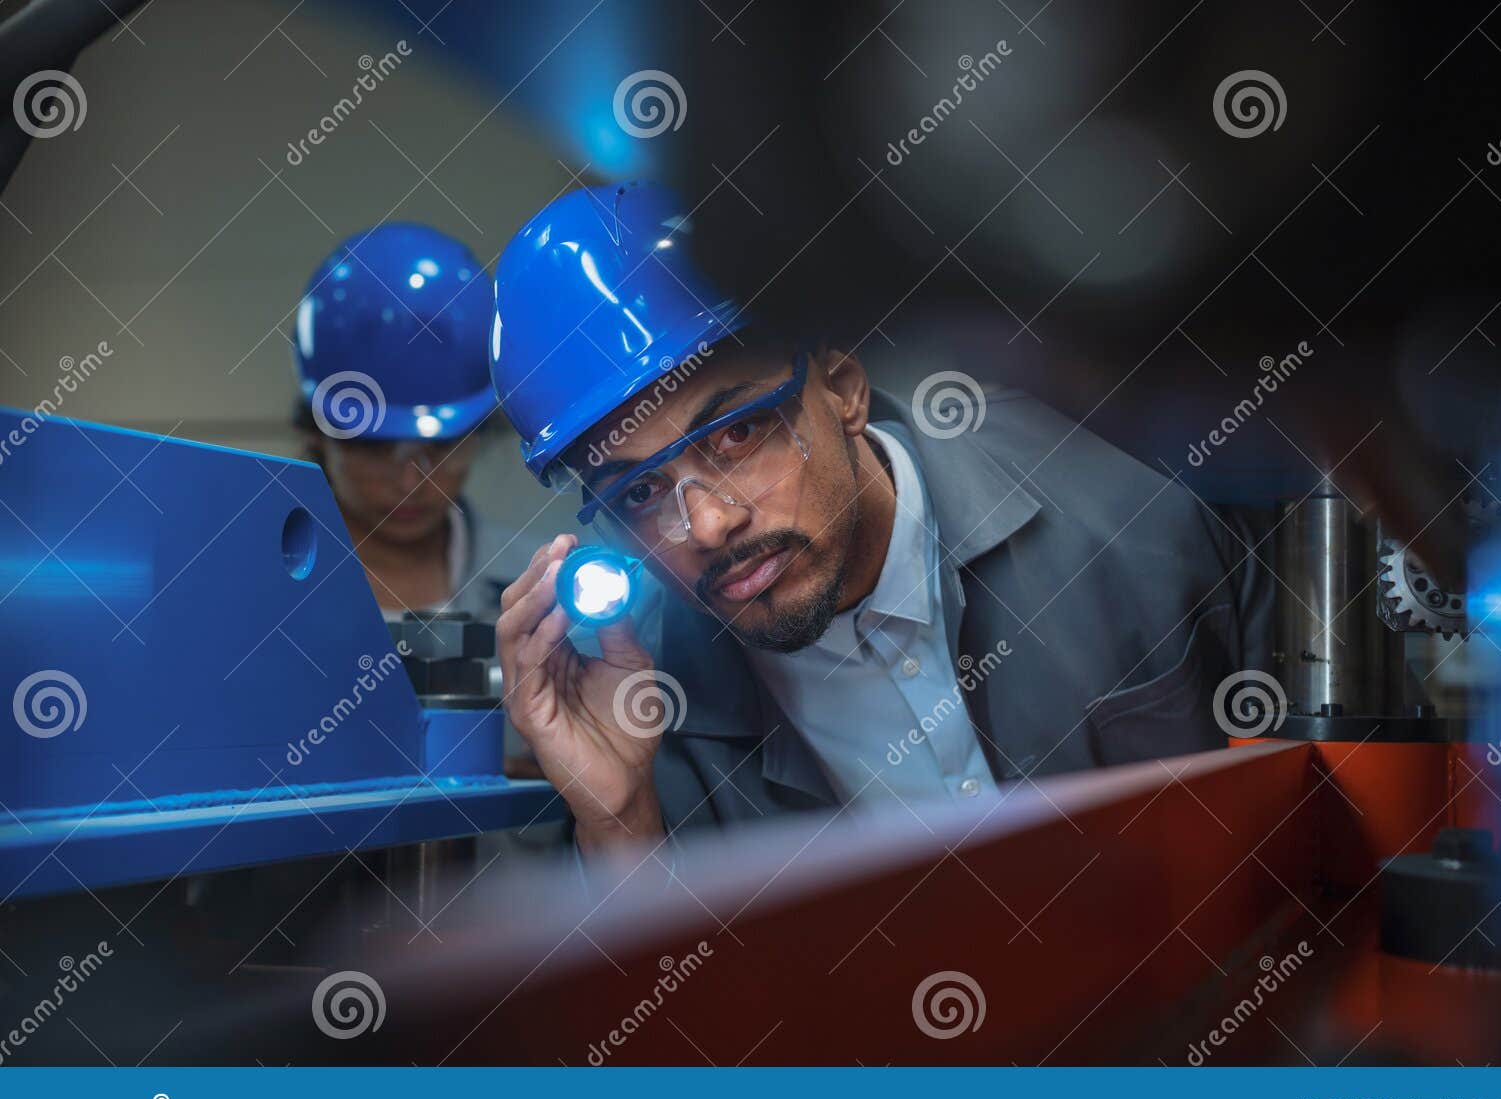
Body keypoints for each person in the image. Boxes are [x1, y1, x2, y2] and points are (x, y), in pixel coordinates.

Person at [488, 183, 1273, 856]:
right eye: (638, 493)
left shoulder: (1130, 498)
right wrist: (621, 819)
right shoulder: (648, 712)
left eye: (738, 433)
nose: (709, 524)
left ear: (842, 387)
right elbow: (683, 988)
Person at [293, 221, 535, 620]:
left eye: (440, 447)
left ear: (476, 433)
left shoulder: (544, 593)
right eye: (375, 448)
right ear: (315, 432)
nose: (410, 483)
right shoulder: (251, 591)